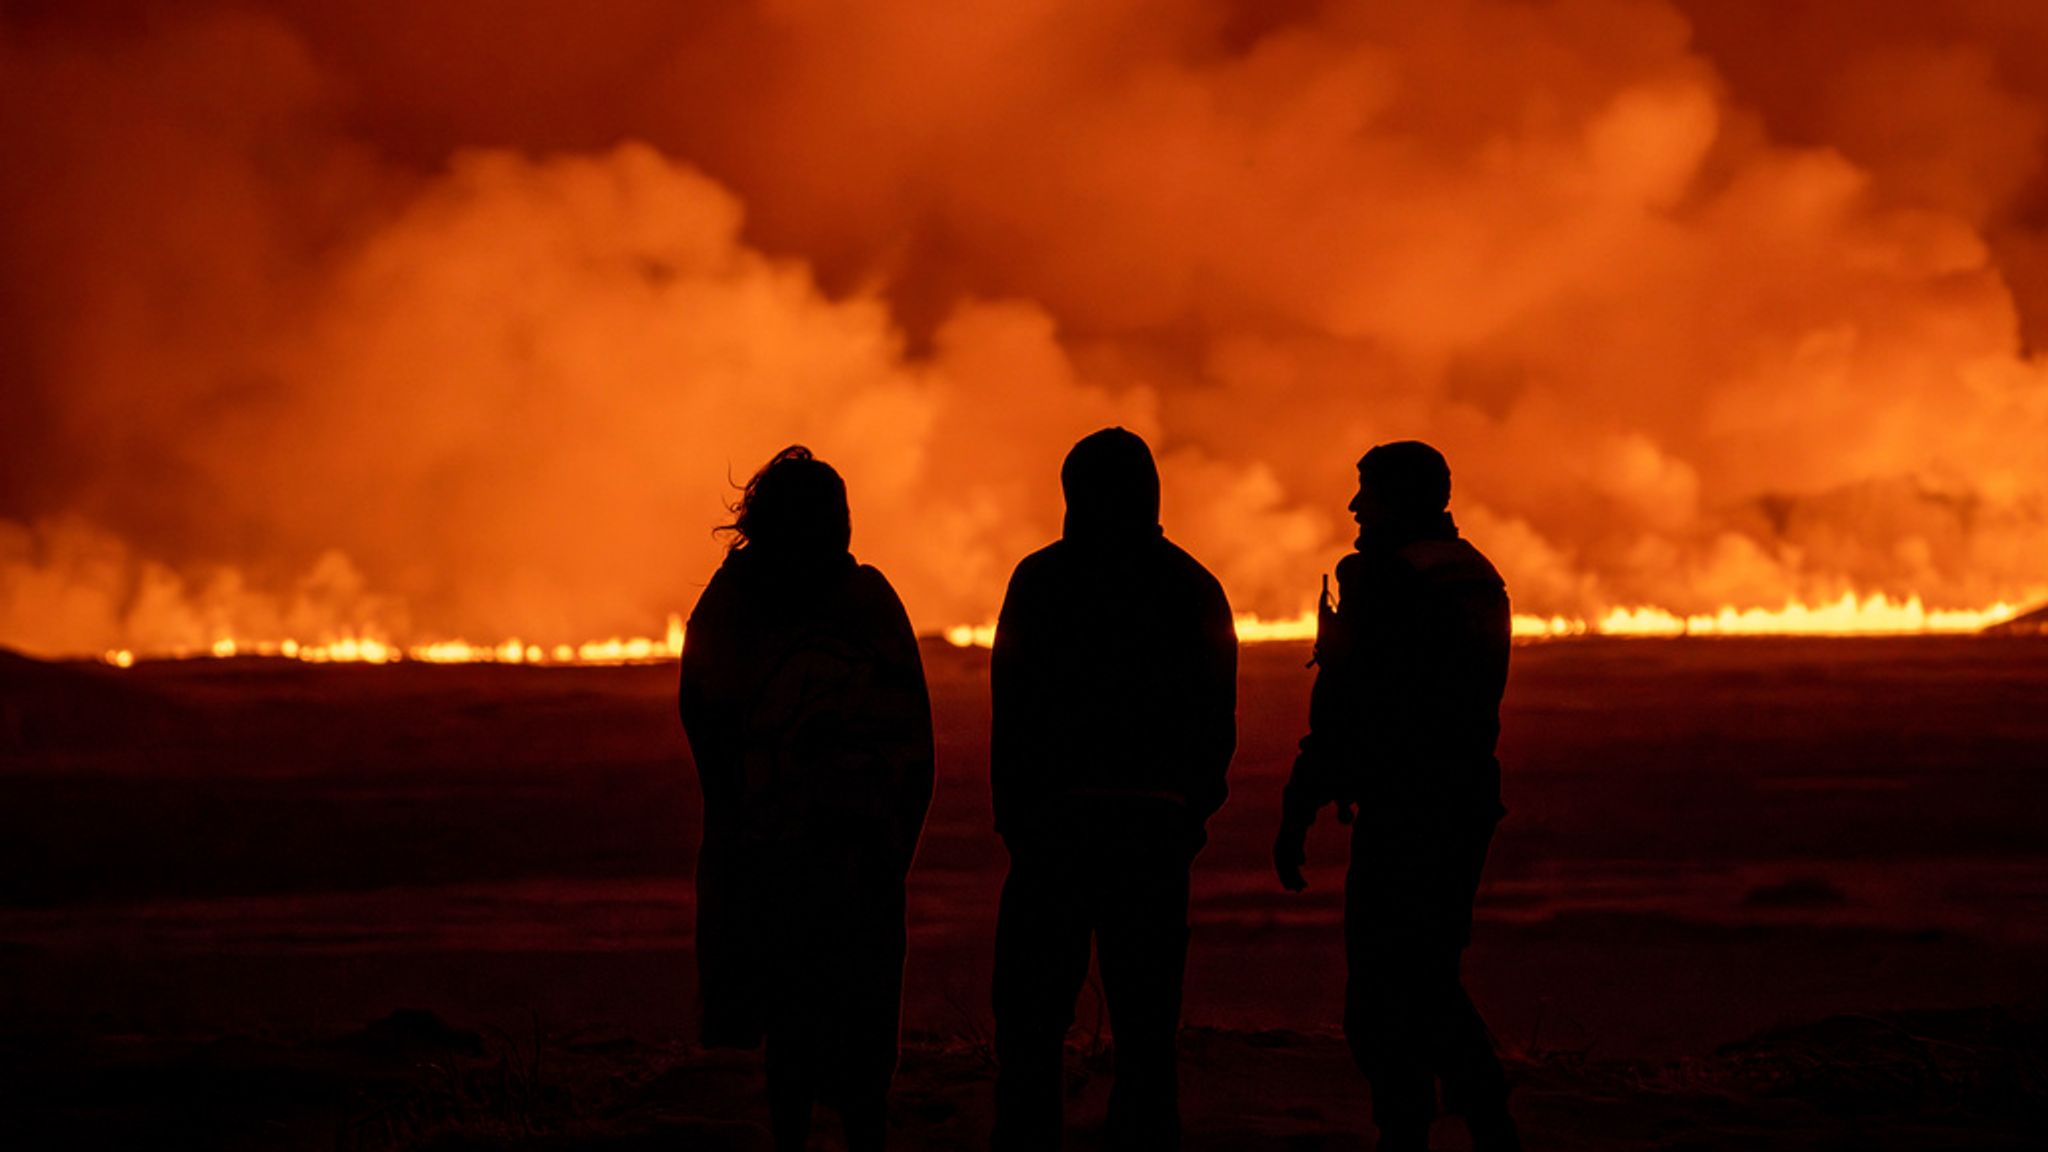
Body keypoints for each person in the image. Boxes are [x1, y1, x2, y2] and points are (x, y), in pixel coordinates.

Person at [678, 446, 935, 1152]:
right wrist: (887, 849)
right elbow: (913, 741)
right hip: (841, 860)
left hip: (791, 857)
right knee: (848, 1034)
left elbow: (705, 728)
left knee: (794, 1037)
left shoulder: (731, 606)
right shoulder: (861, 602)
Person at [989, 427, 1237, 1150]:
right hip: (1152, 838)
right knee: (1147, 1028)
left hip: (1055, 834)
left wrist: (1020, 820)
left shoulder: (1041, 580)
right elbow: (1217, 718)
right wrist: (1188, 811)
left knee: (1031, 1024)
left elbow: (1013, 708)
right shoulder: (1192, 585)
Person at [1272, 440, 1521, 1152]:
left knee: (1389, 988)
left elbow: (1351, 706)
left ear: (1401, 498)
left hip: (1408, 811)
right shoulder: (1475, 574)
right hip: (1465, 800)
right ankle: (1474, 1117)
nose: (1356, 508)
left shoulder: (1386, 579)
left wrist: (1300, 805)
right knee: (1426, 968)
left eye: (1368, 492)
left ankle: (1436, 1124)